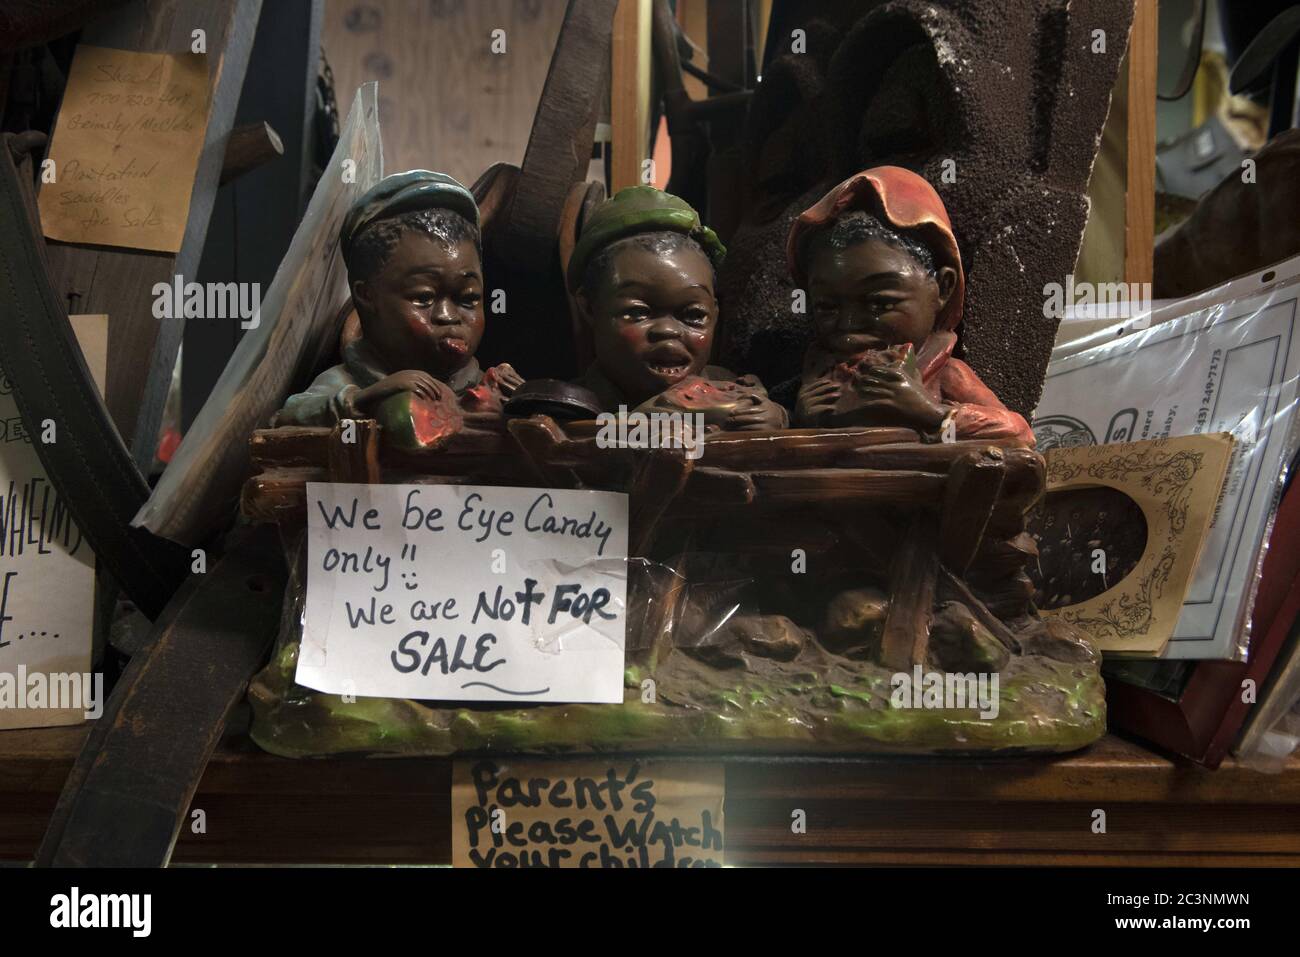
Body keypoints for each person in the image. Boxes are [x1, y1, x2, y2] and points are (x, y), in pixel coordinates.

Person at [787, 166, 1033, 444]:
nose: (849, 327)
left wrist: (928, 412)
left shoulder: (946, 373)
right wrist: (800, 417)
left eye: (880, 303)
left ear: (943, 288)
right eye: (827, 308)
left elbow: (1019, 433)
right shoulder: (821, 372)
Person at [275, 170, 522, 427]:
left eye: (469, 298)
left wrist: (525, 403)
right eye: (424, 297)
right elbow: (292, 413)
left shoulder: (482, 384)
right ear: (366, 296)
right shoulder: (349, 382)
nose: (448, 316)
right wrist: (367, 399)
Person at [567, 186, 788, 431]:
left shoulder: (732, 385)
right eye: (638, 312)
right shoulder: (571, 407)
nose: (667, 331)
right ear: (589, 308)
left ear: (714, 313)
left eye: (693, 315)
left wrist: (778, 417)